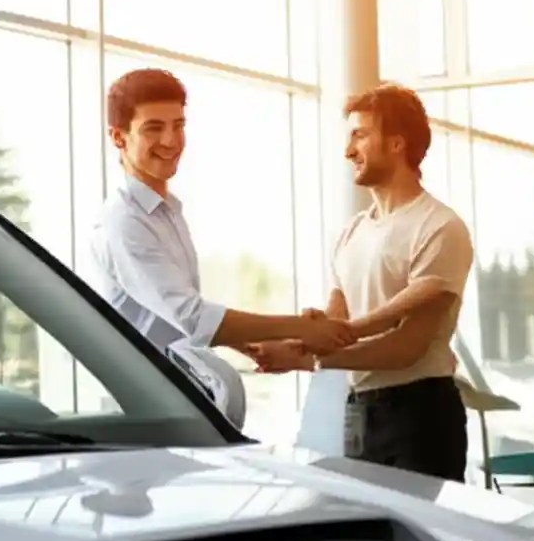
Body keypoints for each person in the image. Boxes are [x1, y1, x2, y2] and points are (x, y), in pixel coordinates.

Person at [250, 82, 474, 481]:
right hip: (359, 408)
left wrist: (305, 357)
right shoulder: (350, 234)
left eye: (360, 135)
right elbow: (339, 328)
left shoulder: (440, 227)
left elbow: (408, 347)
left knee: (422, 540)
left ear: (396, 144)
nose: (348, 150)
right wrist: (307, 336)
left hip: (421, 412)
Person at [88, 68, 355, 379]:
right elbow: (192, 318)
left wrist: (257, 344)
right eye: (153, 128)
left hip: (180, 388)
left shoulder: (166, 211)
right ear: (119, 137)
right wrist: (301, 328)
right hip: (149, 395)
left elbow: (179, 316)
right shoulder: (124, 222)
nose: (171, 140)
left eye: (178, 125)